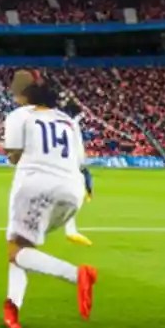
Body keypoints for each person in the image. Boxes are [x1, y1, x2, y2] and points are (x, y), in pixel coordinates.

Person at [1, 70, 97, 328]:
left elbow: (13, 156)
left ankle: (76, 275)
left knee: (16, 251)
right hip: (72, 192)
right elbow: (81, 163)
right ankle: (12, 309)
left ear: (23, 95)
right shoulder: (68, 121)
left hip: (36, 186)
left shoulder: (19, 116)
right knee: (22, 248)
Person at [59, 99, 93, 246]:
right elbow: (80, 115)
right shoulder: (72, 124)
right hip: (73, 165)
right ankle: (70, 231)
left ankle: (70, 229)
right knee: (76, 196)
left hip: (67, 165)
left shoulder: (62, 125)